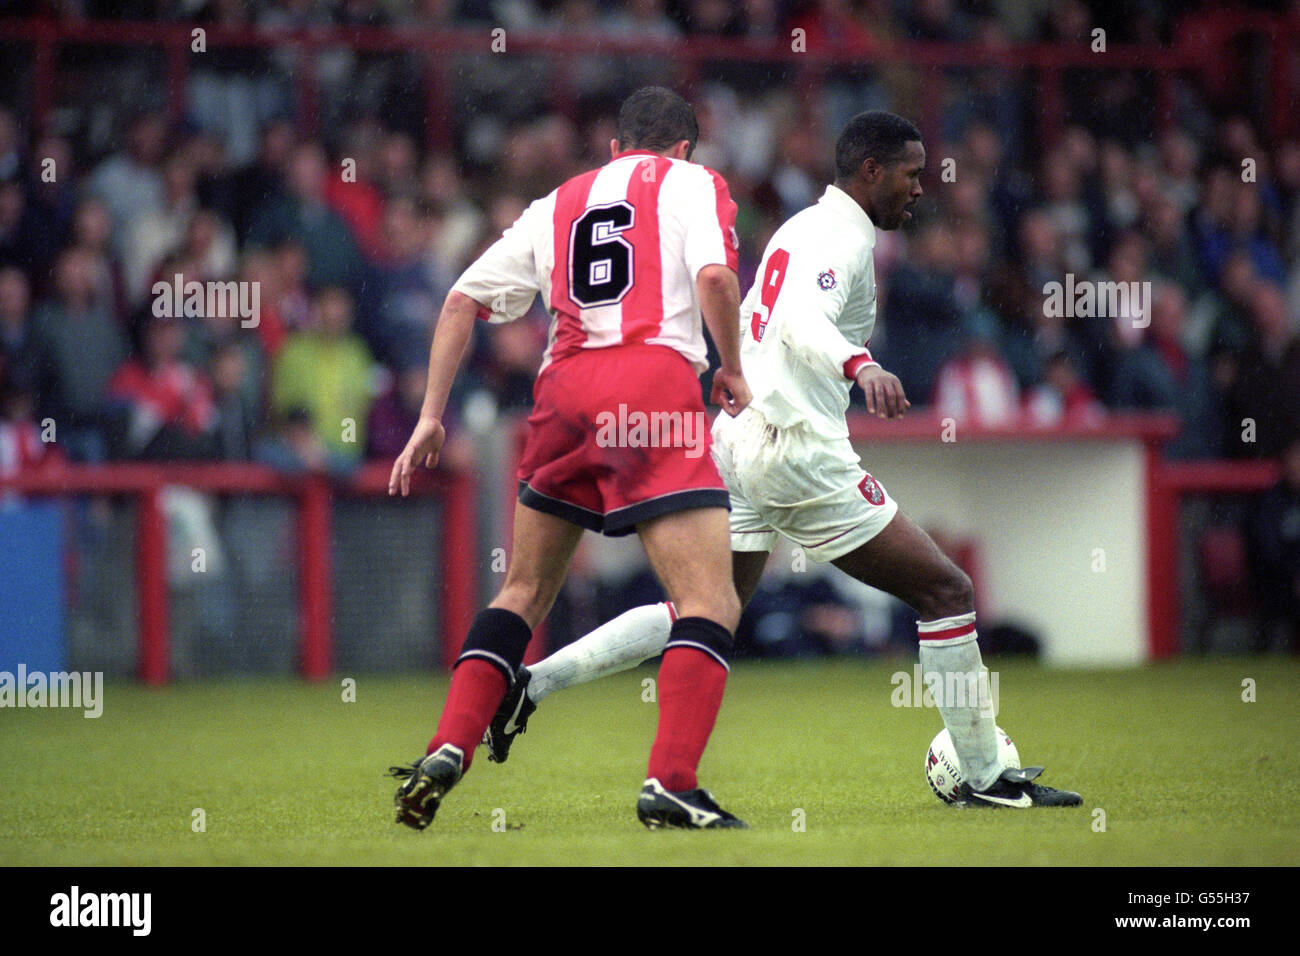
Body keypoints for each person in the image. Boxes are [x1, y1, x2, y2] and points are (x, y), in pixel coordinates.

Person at [485, 111, 1082, 810]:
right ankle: (984, 775)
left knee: (704, 611)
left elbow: (763, 317)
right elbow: (800, 318)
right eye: (911, 174)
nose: (920, 190)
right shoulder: (842, 238)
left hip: (737, 439)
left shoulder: (800, 227)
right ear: (871, 171)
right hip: (795, 451)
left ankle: (532, 683)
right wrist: (861, 365)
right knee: (946, 593)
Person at [387, 87, 754, 830]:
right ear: (683, 149)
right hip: (651, 380)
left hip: (563, 391)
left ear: (615, 148)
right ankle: (672, 783)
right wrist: (732, 366)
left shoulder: (561, 199)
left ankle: (447, 745)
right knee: (710, 600)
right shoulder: (693, 183)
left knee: (521, 590)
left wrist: (431, 415)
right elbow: (715, 278)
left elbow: (461, 300)